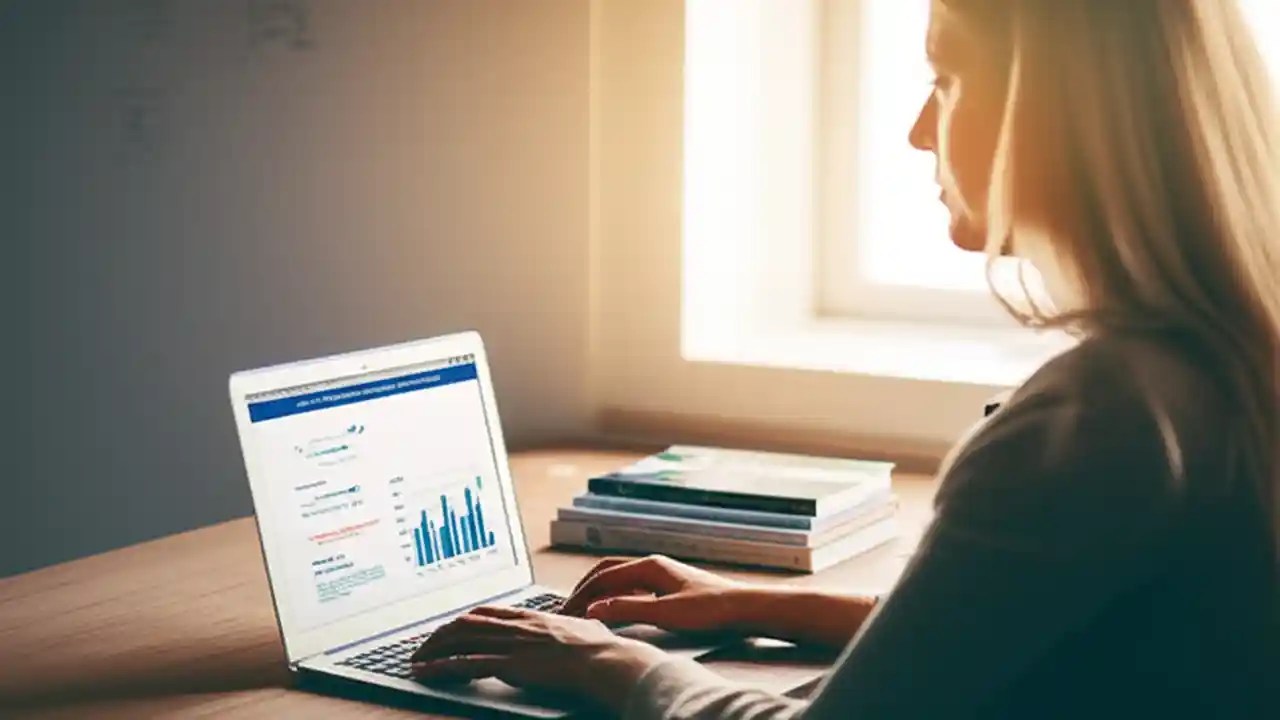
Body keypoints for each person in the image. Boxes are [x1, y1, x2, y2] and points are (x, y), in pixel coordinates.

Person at [411, 0, 1280, 716]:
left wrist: (607, 662)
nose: (918, 132)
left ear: (1060, 110)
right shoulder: (1223, 369)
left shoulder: (1102, 416)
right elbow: (1036, 628)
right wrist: (756, 602)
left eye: (946, 80)